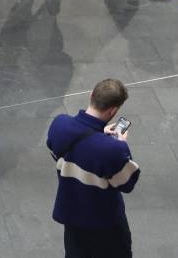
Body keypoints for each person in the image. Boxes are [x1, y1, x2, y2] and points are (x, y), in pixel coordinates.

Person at [47, 78, 140, 257]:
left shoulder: (60, 124)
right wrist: (121, 144)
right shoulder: (112, 149)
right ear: (113, 111)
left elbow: (58, 149)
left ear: (91, 95)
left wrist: (98, 132)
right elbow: (127, 183)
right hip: (105, 223)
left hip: (72, 216)